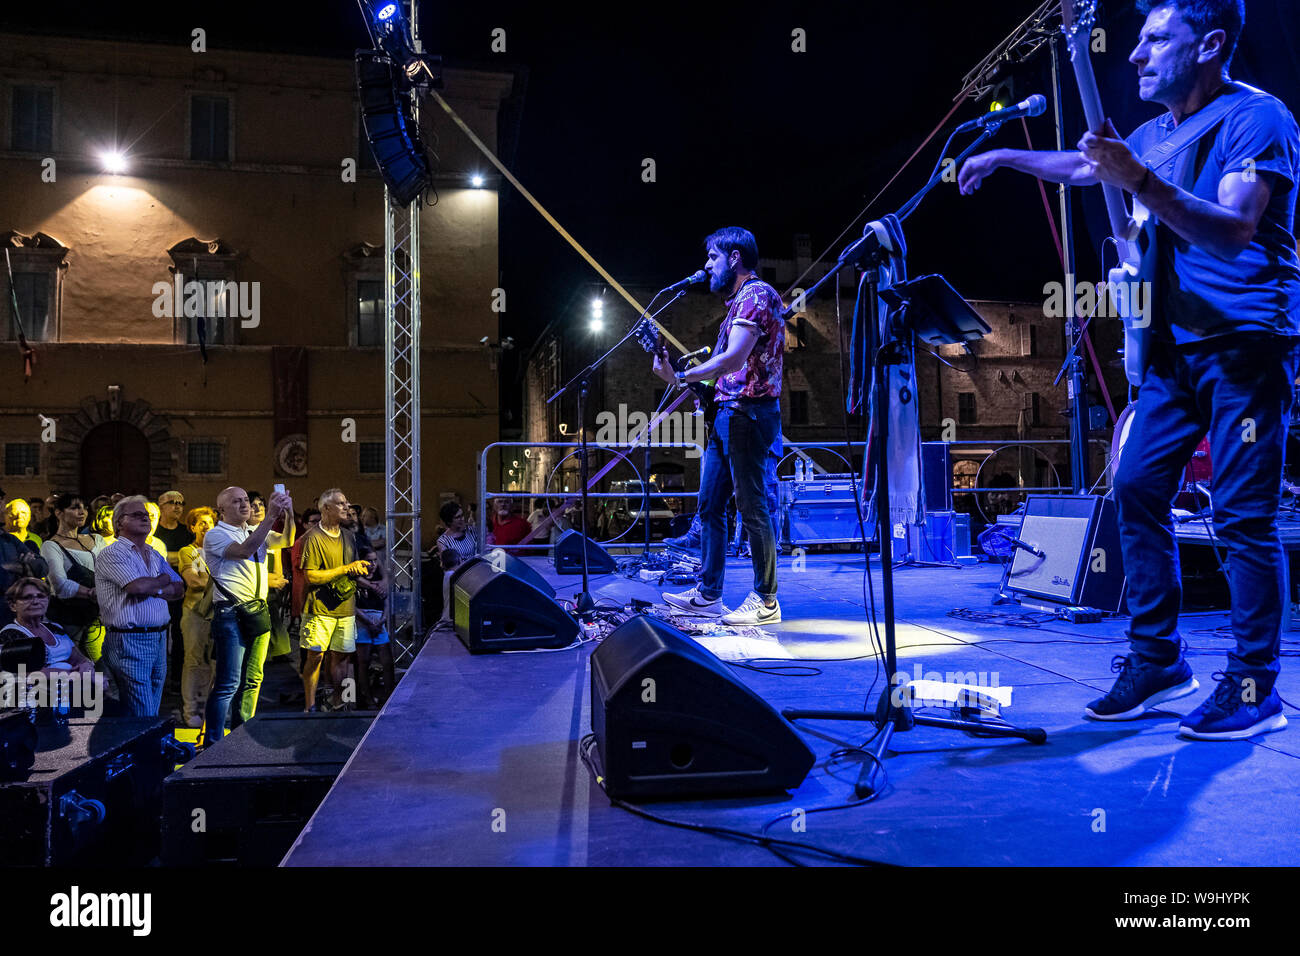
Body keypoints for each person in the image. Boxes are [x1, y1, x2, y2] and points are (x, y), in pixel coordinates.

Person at [960, 0, 1299, 739]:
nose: (1136, 56)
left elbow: (1237, 229)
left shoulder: (1257, 119)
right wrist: (1003, 156)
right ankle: (1158, 660)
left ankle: (1252, 688)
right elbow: (1086, 166)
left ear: (1210, 44)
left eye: (1154, 40)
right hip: (1169, 352)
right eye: (1137, 41)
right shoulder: (1155, 133)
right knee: (1136, 491)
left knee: (1242, 517)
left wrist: (1138, 180)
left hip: (1242, 344)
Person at [655, 227, 785, 625]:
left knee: (751, 506)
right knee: (710, 506)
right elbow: (721, 376)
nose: (706, 266)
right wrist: (675, 375)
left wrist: (684, 378)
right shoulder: (736, 306)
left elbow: (732, 360)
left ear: (734, 258)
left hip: (749, 414)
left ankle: (766, 601)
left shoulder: (757, 295)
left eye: (712, 257)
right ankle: (709, 594)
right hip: (728, 413)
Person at [202, 486, 295, 745]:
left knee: (253, 679)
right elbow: (242, 551)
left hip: (257, 610)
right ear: (221, 509)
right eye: (237, 502)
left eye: (246, 501)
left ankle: (240, 739)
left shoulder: (255, 532)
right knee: (228, 682)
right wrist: (269, 518)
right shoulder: (215, 535)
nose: (246, 505)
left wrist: (288, 514)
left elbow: (286, 541)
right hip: (230, 613)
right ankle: (214, 743)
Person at [93, 496, 184, 716]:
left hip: (159, 638)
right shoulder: (113, 553)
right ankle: (147, 749)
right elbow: (136, 587)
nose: (145, 517)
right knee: (142, 712)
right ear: (119, 523)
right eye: (136, 515)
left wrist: (156, 589)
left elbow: (180, 588)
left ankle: (148, 748)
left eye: (146, 514)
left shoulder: (153, 553)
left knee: (151, 707)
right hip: (129, 639)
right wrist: (162, 582)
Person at [299, 489, 370, 711]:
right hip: (319, 609)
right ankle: (309, 706)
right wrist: (345, 568)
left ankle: (339, 703)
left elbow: (351, 570)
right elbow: (310, 576)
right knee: (316, 656)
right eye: (341, 503)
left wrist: (361, 570)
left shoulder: (349, 536)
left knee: (342, 657)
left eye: (346, 503)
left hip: (345, 608)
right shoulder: (312, 538)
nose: (346, 507)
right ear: (326, 508)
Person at [1, 577, 96, 712]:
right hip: (39, 699)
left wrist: (87, 669)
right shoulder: (11, 635)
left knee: (115, 708)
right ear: (13, 605)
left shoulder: (54, 628)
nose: (35, 601)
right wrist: (74, 675)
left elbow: (78, 658)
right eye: (27, 597)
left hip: (71, 689)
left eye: (41, 596)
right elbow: (28, 675)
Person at [40, 494, 105, 662]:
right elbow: (60, 585)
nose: (81, 512)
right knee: (70, 666)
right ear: (59, 513)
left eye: (84, 508)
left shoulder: (96, 539)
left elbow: (108, 571)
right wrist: (92, 593)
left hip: (95, 616)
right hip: (68, 617)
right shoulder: (51, 545)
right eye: (75, 508)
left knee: (101, 667)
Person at [178, 506, 217, 728]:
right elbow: (192, 581)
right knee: (193, 661)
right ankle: (190, 710)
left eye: (210, 522)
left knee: (213, 663)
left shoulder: (219, 550)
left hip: (216, 613)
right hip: (194, 612)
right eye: (201, 523)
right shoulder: (189, 551)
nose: (206, 526)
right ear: (192, 527)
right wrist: (222, 582)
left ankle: (209, 707)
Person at [155, 491, 194, 695]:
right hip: (159, 593)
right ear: (161, 506)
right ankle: (158, 679)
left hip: (181, 592)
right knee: (159, 638)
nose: (178, 506)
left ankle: (177, 681)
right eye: (172, 503)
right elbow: (155, 558)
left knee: (180, 638)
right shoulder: (154, 532)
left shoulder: (187, 532)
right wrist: (177, 557)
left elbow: (193, 557)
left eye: (181, 502)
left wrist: (168, 557)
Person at [351, 523, 392, 707]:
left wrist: (382, 619)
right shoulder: (355, 581)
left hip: (379, 620)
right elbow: (351, 605)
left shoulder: (378, 579)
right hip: (362, 622)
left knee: (387, 660)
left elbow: (386, 600)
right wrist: (368, 622)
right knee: (363, 661)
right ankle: (366, 697)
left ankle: (389, 696)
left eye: (375, 560)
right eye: (369, 561)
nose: (373, 564)